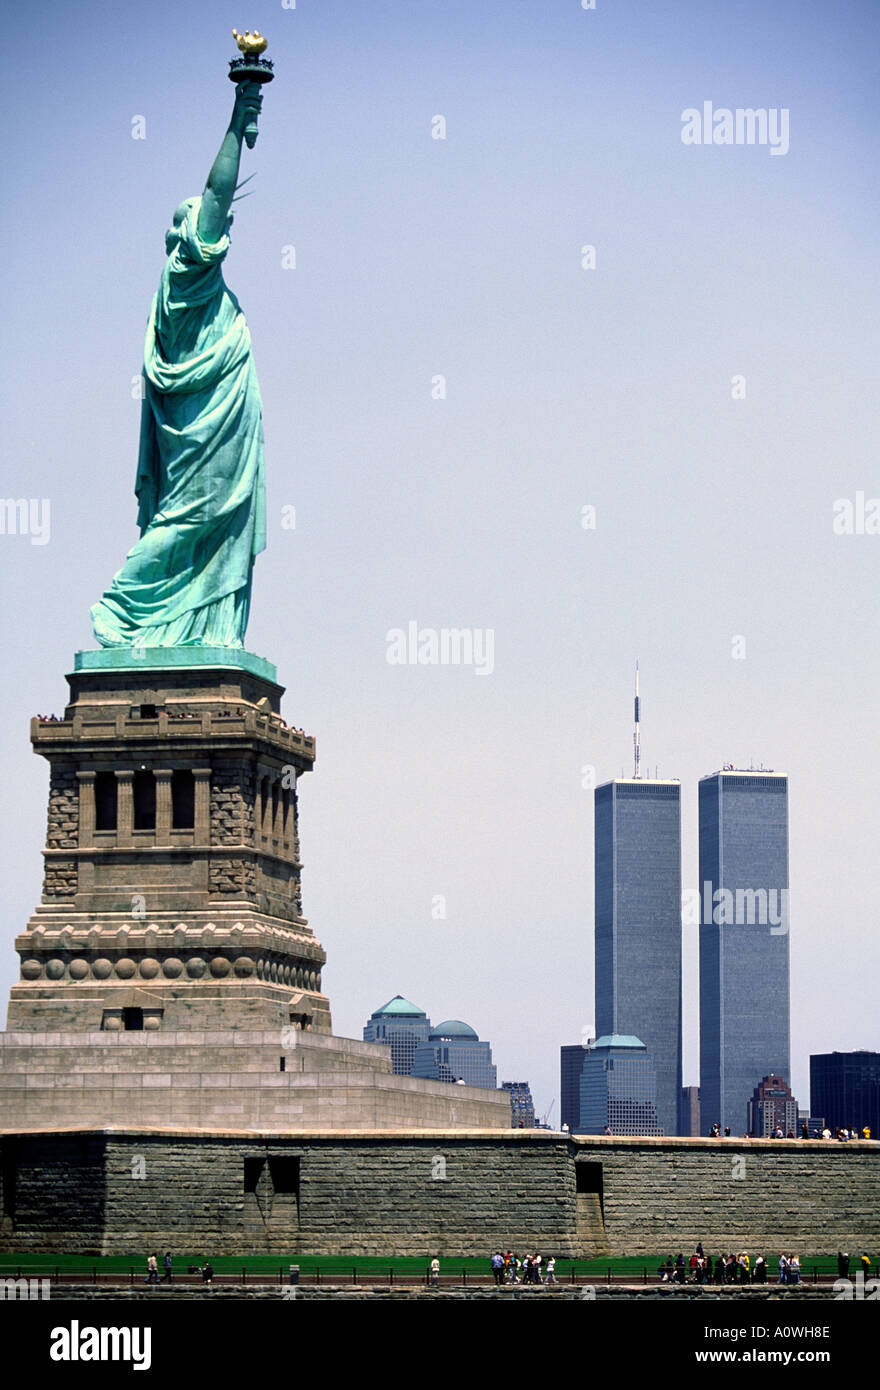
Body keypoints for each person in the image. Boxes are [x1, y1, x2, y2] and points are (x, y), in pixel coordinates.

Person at [90, 79, 268, 649]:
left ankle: (204, 630)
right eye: (206, 224)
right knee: (192, 515)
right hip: (203, 431)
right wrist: (239, 119)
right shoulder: (185, 276)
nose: (221, 228)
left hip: (222, 426)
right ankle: (122, 608)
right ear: (186, 236)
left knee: (212, 524)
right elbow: (216, 197)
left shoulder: (196, 292)